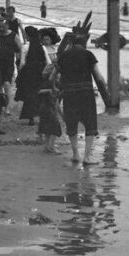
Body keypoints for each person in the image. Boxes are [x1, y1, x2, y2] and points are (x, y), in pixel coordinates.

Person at [55, 34, 106, 165]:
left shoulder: (64, 56)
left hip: (69, 94)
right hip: (86, 94)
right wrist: (104, 89)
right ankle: (87, 157)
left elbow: (53, 76)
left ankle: (75, 154)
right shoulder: (88, 54)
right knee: (90, 124)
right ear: (84, 44)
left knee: (71, 123)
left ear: (72, 43)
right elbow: (99, 77)